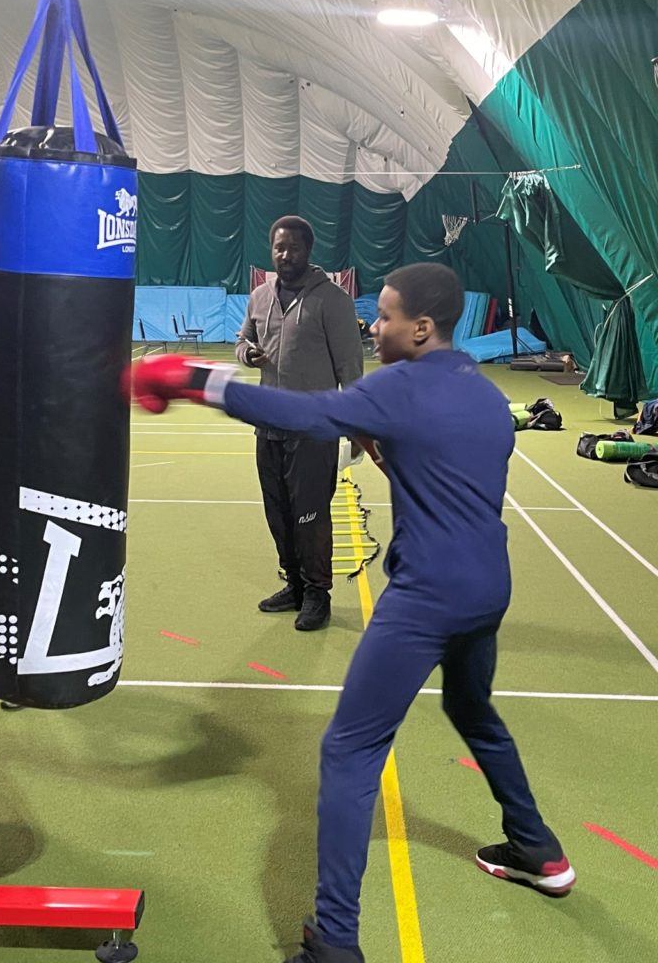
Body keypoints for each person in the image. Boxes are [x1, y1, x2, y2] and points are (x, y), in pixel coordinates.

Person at [128, 262, 576, 963]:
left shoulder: (399, 386)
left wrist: (198, 381)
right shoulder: (486, 398)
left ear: (421, 330)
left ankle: (335, 941)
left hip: (428, 596)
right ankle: (538, 850)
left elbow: (305, 413)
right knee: (474, 710)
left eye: (388, 315)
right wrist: (388, 446)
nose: (375, 323)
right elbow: (447, 477)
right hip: (489, 587)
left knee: (348, 750)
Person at [235, 216, 363, 631]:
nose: (284, 255)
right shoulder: (258, 297)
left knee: (310, 516)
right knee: (279, 514)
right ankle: (293, 584)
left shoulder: (333, 300)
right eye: (278, 247)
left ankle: (317, 594)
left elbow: (350, 368)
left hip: (313, 429)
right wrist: (246, 354)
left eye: (292, 247)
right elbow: (242, 340)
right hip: (267, 426)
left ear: (308, 250)